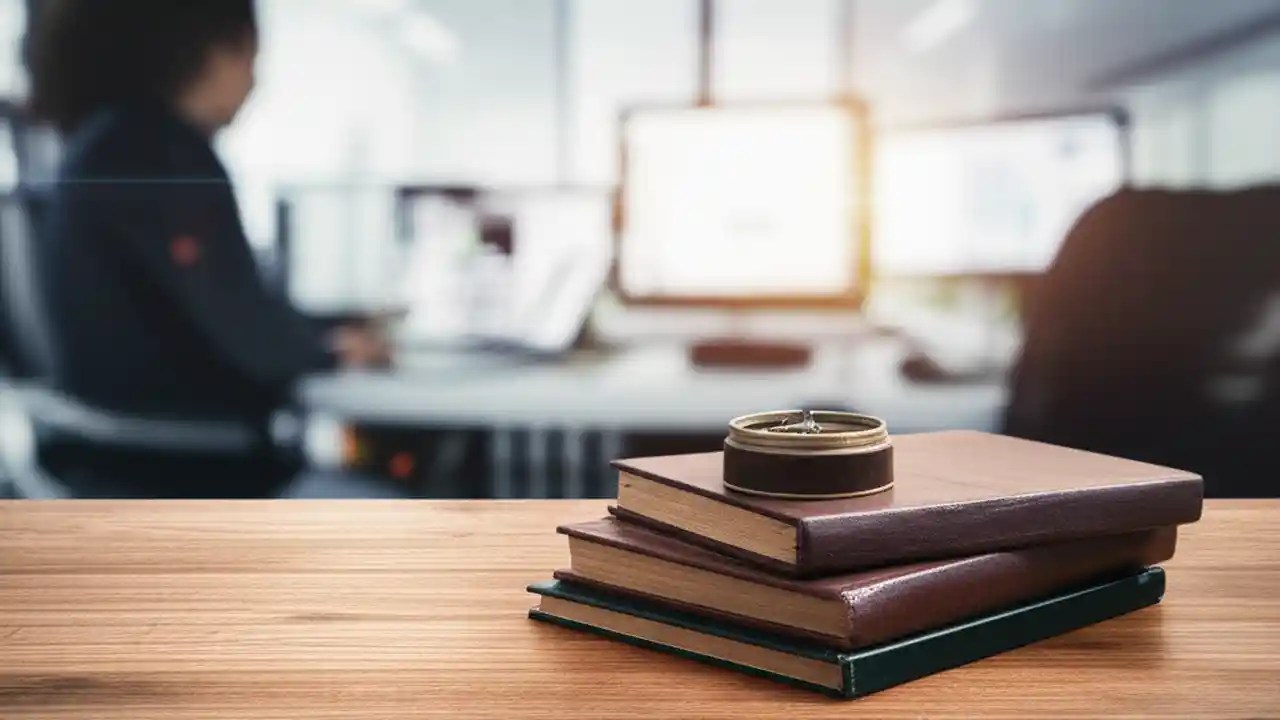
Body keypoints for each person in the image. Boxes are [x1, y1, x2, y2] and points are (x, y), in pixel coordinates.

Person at [26, 0, 389, 497]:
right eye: (251, 61)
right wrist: (333, 351)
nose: (254, 85)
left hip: (122, 461)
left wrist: (323, 336)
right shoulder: (159, 153)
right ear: (216, 50)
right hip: (186, 472)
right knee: (413, 513)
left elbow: (213, 309)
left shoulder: (109, 144)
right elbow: (253, 341)